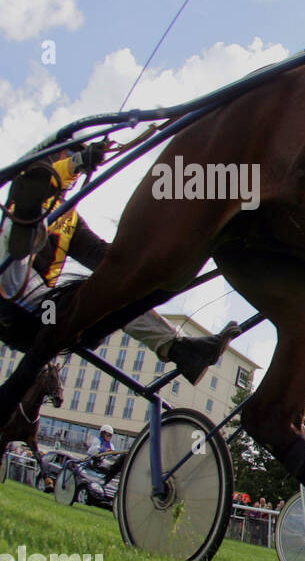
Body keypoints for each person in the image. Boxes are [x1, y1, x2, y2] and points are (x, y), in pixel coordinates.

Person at [2, 146, 236, 384]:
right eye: (67, 156)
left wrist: (148, 261)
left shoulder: (70, 220)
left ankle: (180, 349)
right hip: (10, 304)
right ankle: (25, 245)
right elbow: (43, 175)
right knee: (24, 223)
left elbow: (105, 257)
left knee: (115, 289)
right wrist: (77, 162)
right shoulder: (23, 193)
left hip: (45, 316)